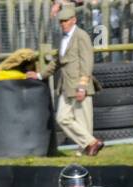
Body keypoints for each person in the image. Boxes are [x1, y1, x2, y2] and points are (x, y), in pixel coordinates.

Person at [42, 6, 104, 157]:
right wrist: (39, 75)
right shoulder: (62, 39)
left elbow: (87, 62)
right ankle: (92, 143)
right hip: (65, 86)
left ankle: (86, 150)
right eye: (61, 21)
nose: (63, 24)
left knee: (84, 121)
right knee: (62, 118)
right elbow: (57, 61)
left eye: (65, 21)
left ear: (74, 20)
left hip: (80, 85)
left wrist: (82, 86)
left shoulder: (81, 36)